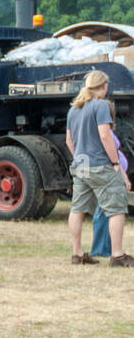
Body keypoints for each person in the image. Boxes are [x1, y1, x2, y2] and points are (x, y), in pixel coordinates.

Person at [66, 71, 131, 266]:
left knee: (77, 208)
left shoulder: (74, 109)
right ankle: (117, 255)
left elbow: (69, 141)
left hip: (81, 165)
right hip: (100, 164)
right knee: (116, 209)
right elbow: (105, 135)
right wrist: (115, 162)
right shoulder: (101, 105)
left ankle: (77, 254)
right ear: (104, 86)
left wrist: (79, 156)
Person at [90, 98, 127, 259]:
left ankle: (104, 247)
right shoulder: (103, 131)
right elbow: (111, 153)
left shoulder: (106, 130)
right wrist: (118, 170)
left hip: (111, 173)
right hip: (109, 174)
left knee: (103, 210)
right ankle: (101, 248)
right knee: (105, 211)